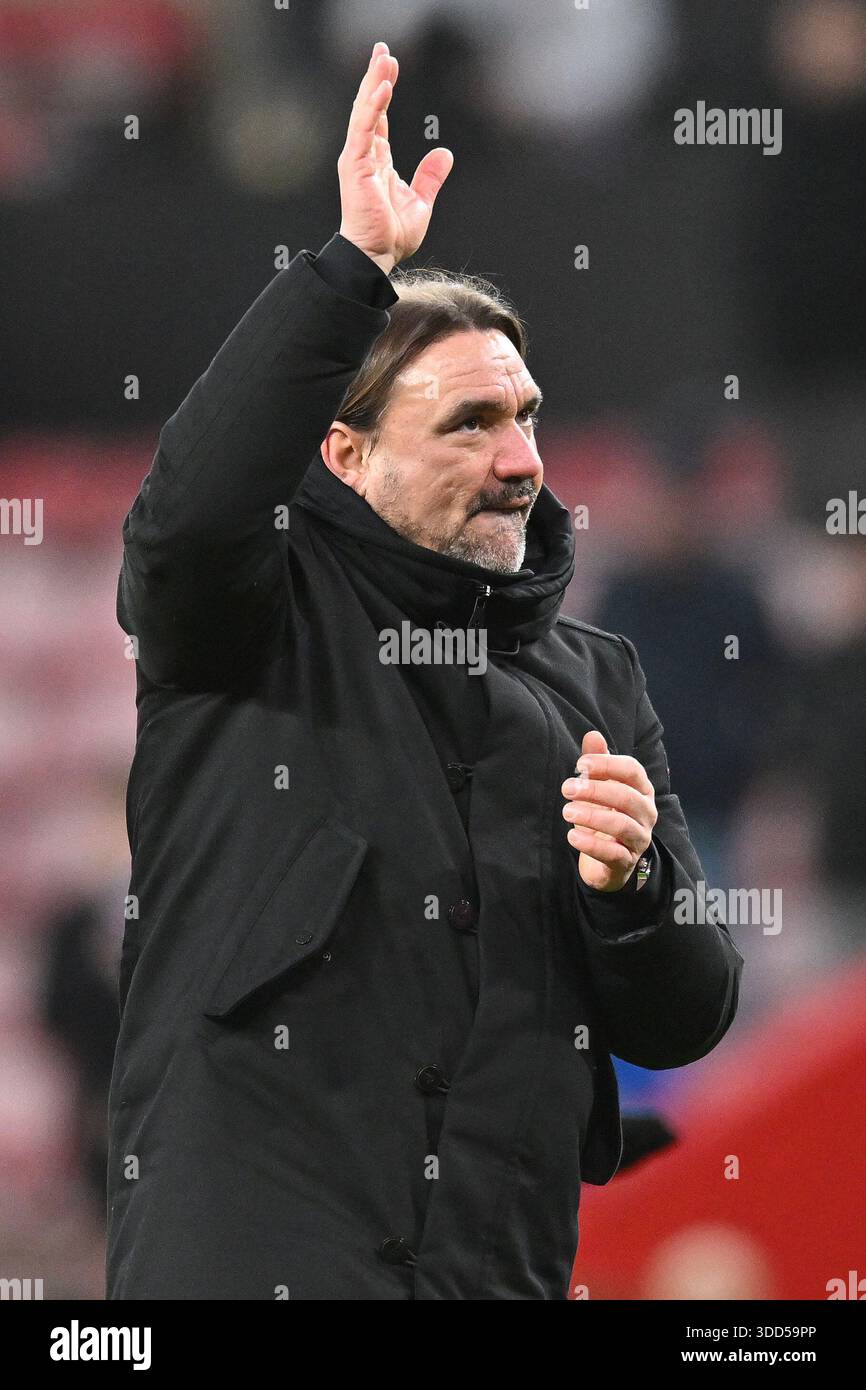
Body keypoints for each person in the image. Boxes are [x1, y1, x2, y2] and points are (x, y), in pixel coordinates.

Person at [107, 41, 743, 1301]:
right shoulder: (257, 618)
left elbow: (684, 1016)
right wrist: (346, 272)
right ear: (342, 456)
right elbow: (181, 525)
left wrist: (634, 888)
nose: (521, 461)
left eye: (527, 417)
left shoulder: (597, 682)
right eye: (468, 422)